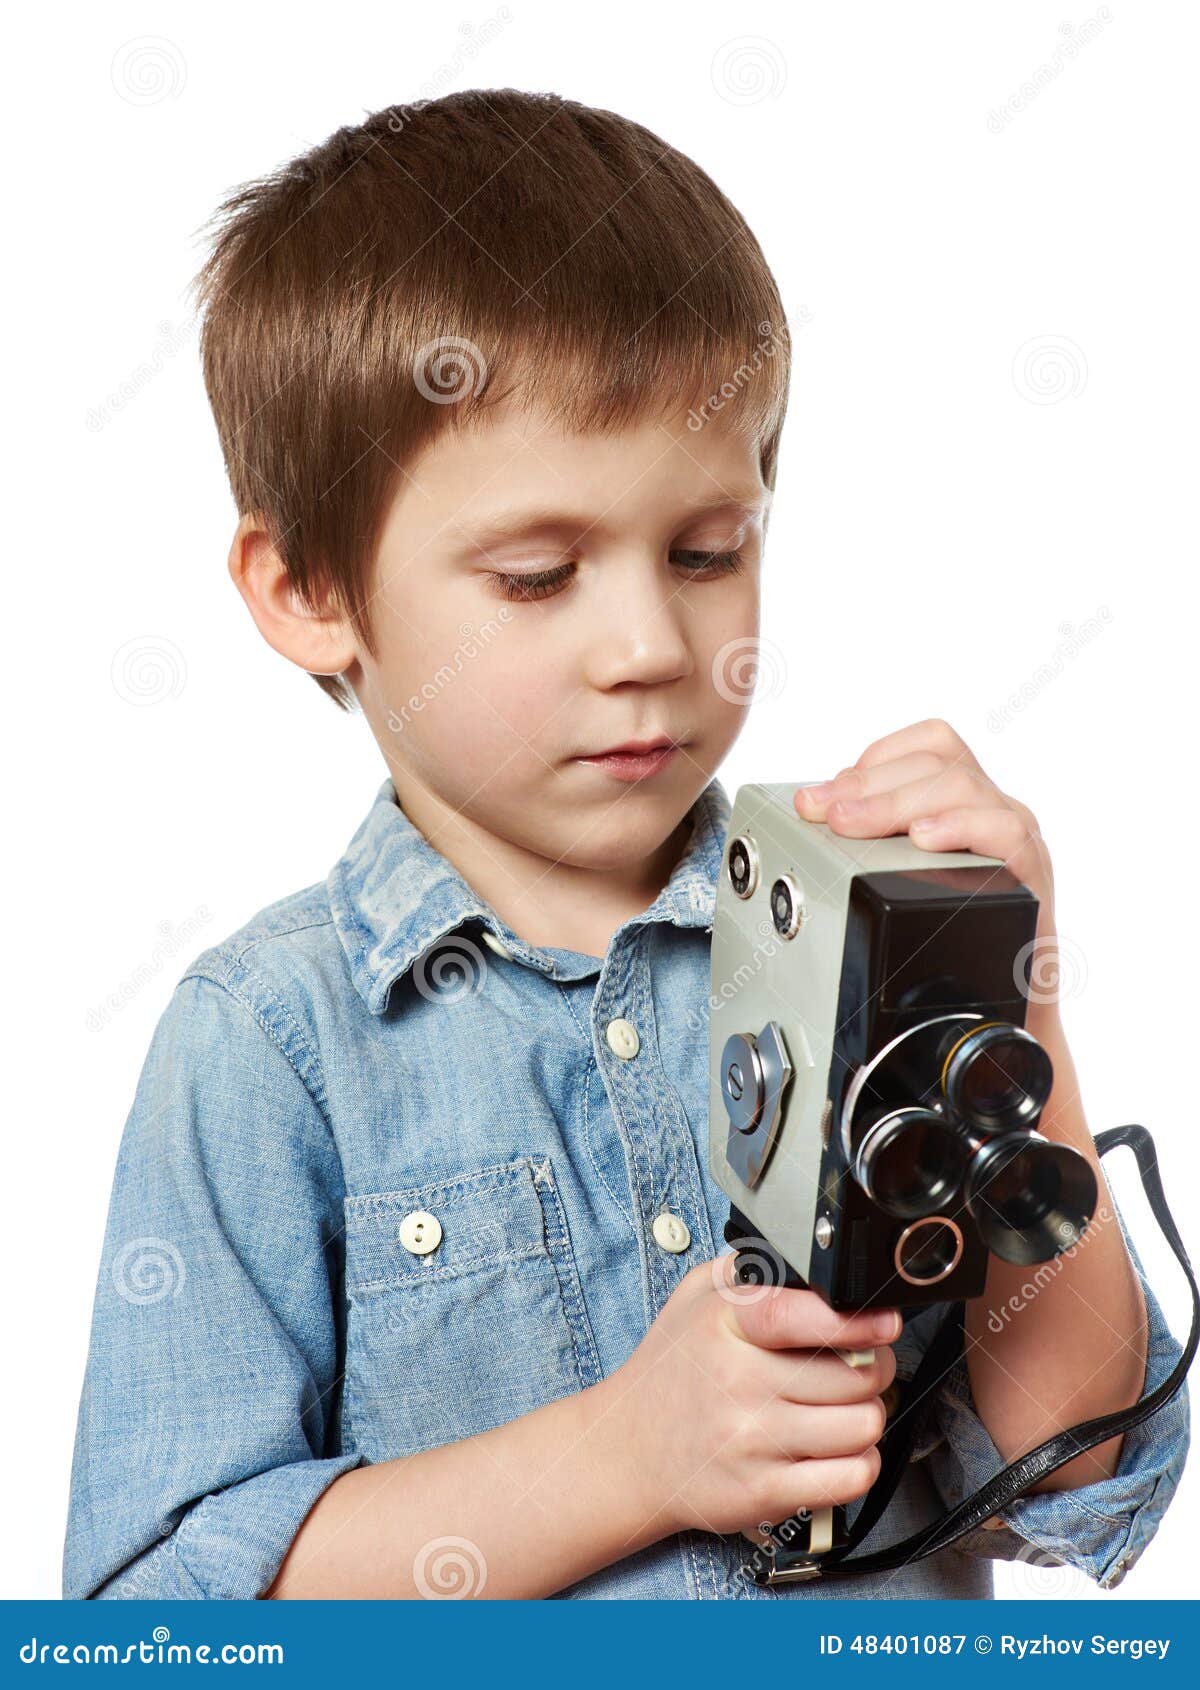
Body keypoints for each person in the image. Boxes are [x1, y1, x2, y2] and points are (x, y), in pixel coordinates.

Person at [63, 88, 1187, 1601]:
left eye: (707, 551)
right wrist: (626, 1455)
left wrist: (1010, 1008)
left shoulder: (864, 934)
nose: (653, 642)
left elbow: (1076, 1487)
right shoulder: (271, 1041)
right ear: (307, 587)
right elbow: (152, 1613)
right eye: (539, 576)